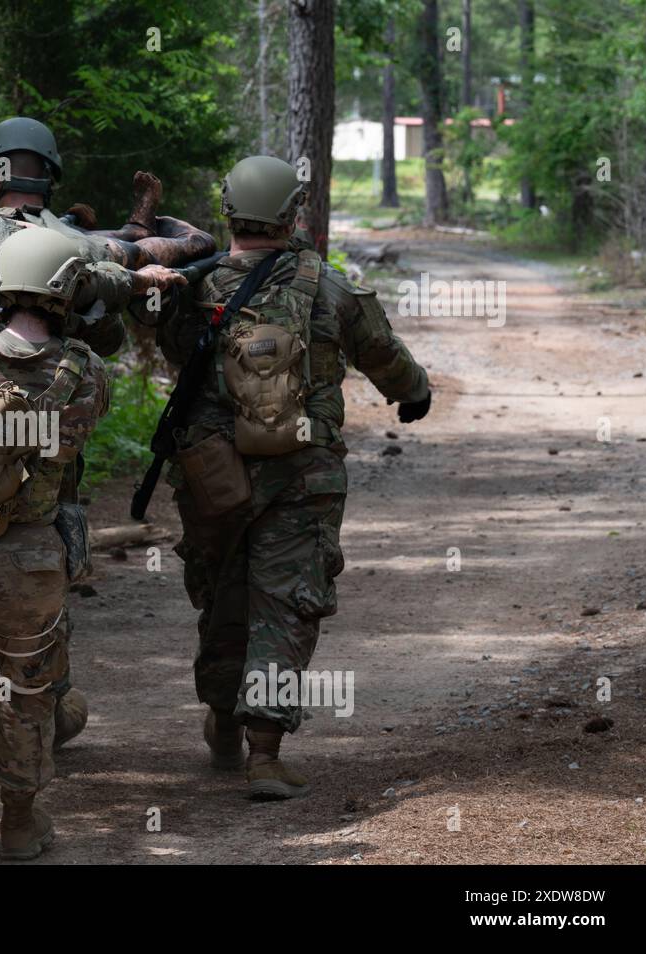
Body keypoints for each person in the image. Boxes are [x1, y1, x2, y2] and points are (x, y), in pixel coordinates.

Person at [148, 155, 431, 799]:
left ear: (228, 212)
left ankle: (222, 717)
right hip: (302, 475)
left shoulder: (193, 287)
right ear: (292, 214)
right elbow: (386, 357)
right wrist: (413, 394)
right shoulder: (328, 287)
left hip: (211, 474)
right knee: (286, 603)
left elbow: (164, 348)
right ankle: (265, 755)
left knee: (223, 593)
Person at [0, 227, 183, 863]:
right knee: (25, 689)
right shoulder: (83, 373)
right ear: (64, 291)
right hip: (26, 554)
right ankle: (20, 822)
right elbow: (73, 440)